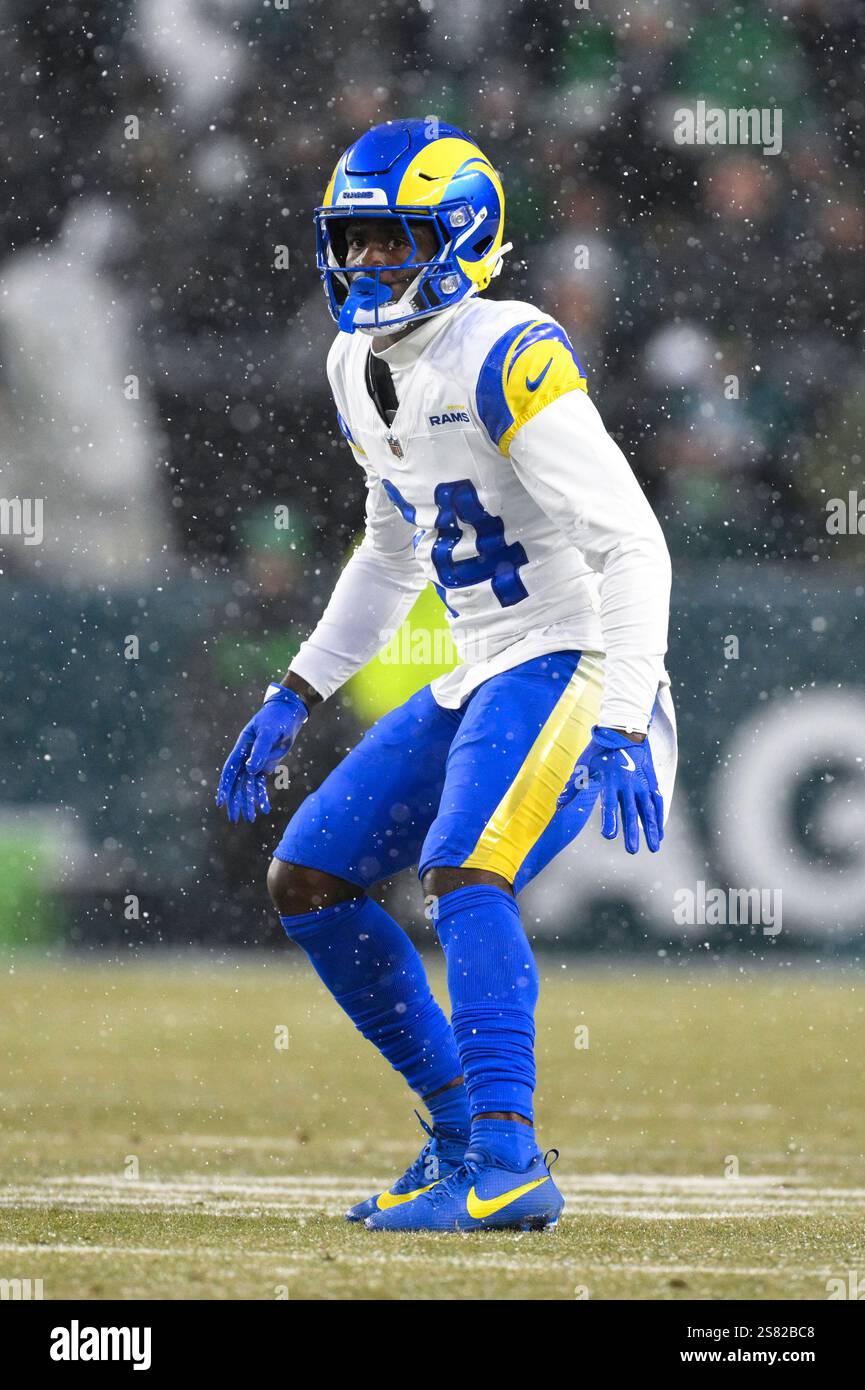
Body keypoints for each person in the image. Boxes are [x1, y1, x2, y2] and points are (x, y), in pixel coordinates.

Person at [217, 118, 677, 1232]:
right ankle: (461, 1129)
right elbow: (389, 550)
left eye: (393, 240)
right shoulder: (352, 365)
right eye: (355, 241)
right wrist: (297, 688)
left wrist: (621, 718)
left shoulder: (505, 347)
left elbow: (634, 543)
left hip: (572, 657)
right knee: (309, 876)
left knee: (464, 868)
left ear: (462, 236)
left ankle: (511, 1163)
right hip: (482, 670)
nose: (368, 263)